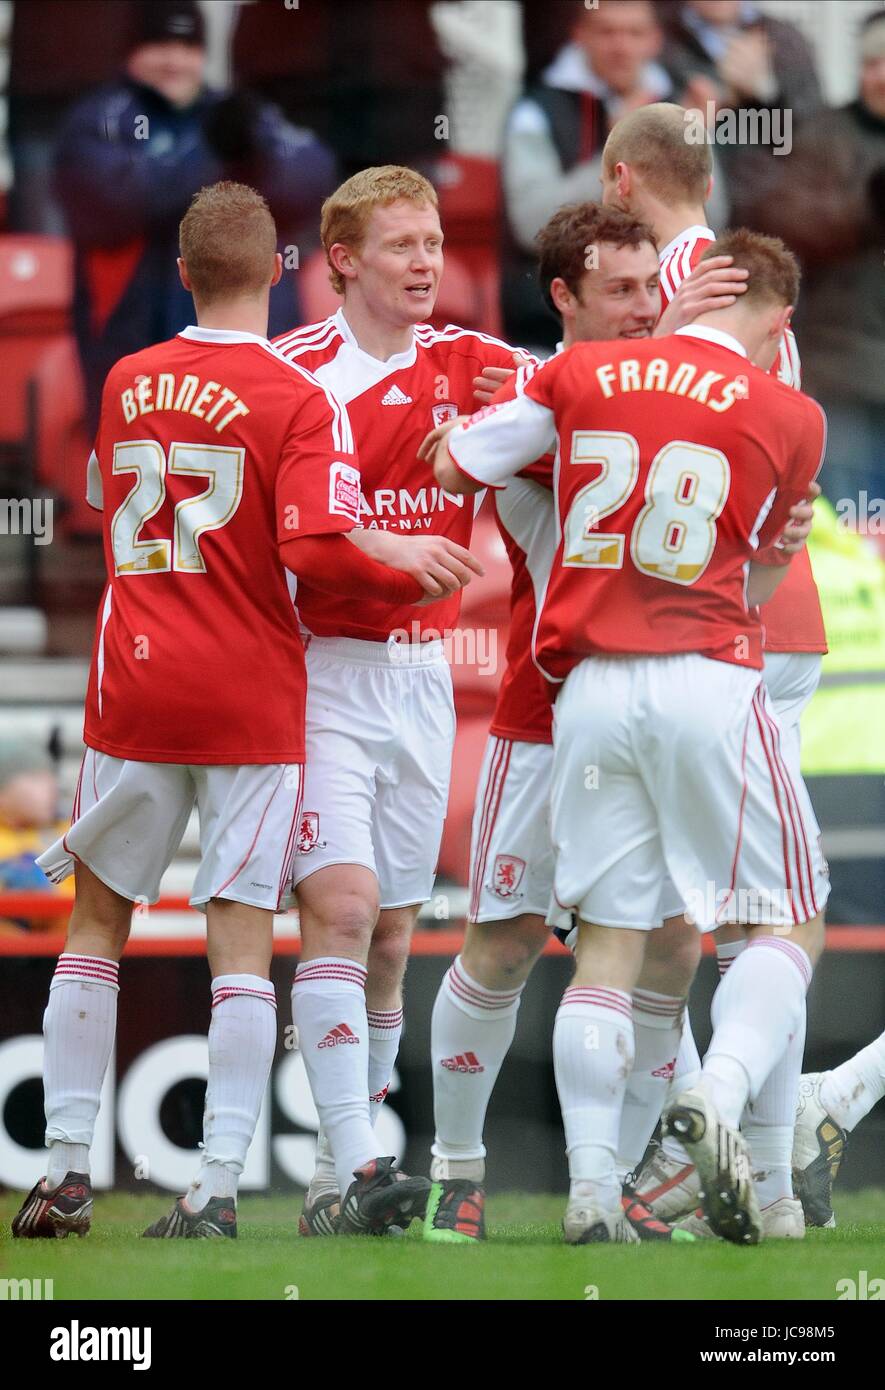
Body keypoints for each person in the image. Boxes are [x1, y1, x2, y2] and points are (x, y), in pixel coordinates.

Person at [11, 180, 434, 1242]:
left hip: (136, 692)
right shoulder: (302, 400)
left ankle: (64, 1169)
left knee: (96, 923)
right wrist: (401, 566)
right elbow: (314, 547)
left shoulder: (126, 379)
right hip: (248, 695)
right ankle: (213, 1186)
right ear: (281, 271)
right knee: (239, 937)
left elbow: (114, 509)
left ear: (185, 273)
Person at [430, 229, 829, 1244]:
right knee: (781, 918)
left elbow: (454, 458)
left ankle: (595, 1192)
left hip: (587, 686)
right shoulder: (790, 413)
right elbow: (760, 583)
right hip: (701, 667)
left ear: (691, 287)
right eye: (625, 286)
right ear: (781, 322)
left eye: (655, 286)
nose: (646, 301)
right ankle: (724, 1104)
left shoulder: (578, 375)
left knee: (609, 946)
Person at [271, 164, 529, 1236]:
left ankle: (356, 1168)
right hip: (318, 670)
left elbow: (600, 384)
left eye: (434, 243)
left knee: (387, 934)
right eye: (402, 246)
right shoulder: (291, 377)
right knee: (333, 909)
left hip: (426, 679)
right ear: (340, 259)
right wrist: (370, 547)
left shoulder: (476, 366)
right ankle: (357, 1163)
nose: (429, 262)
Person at [600, 101, 828, 1238]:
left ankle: (723, 1143)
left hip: (713, 618)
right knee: (753, 918)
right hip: (755, 610)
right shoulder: (739, 274)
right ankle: (770, 1186)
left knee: (738, 918)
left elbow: (653, 435)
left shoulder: (678, 286)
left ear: (624, 179)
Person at [54, 0, 336, 430]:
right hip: (136, 351)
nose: (174, 61)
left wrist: (257, 158)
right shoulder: (99, 119)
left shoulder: (235, 112)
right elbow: (116, 204)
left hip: (256, 345)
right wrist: (215, 157)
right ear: (131, 51)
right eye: (160, 45)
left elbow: (313, 175)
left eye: (187, 47)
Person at [742, 7, 885, 510]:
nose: (879, 76)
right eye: (870, 63)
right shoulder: (823, 135)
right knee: (848, 535)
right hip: (842, 372)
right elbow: (785, 222)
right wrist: (869, 206)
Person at [500, 0, 676, 347]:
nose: (621, 46)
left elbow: (710, 212)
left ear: (655, 40)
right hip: (546, 334)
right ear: (579, 35)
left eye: (634, 33)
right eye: (607, 32)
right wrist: (618, 149)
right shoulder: (535, 110)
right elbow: (532, 222)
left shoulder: (677, 105)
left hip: (659, 332)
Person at [659, 0, 823, 225]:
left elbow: (813, 133)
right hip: (694, 210)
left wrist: (765, 91)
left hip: (777, 211)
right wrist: (717, 97)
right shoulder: (659, 34)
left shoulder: (783, 38)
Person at [0, 740, 73, 935]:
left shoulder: (71, 835)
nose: (51, 788)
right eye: (35, 779)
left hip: (60, 950)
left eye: (51, 778)